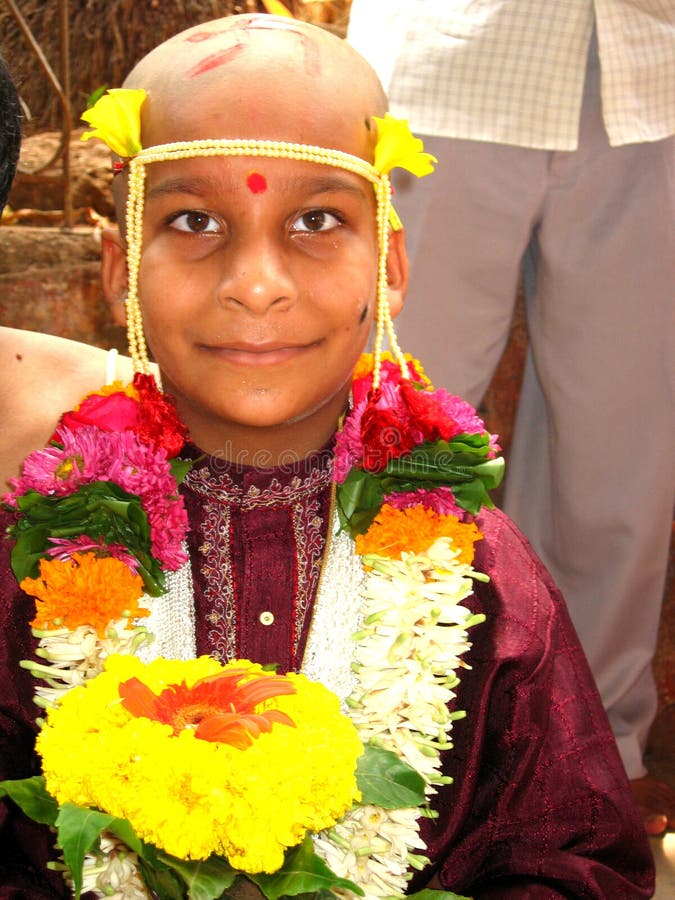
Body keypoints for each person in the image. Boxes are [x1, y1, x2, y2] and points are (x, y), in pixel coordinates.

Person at [0, 13, 654, 898]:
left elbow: (577, 858)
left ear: (388, 264)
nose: (258, 281)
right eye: (193, 219)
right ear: (119, 265)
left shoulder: (477, 572)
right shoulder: (45, 555)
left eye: (315, 218)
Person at [347, 0, 675, 835]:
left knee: (623, 456)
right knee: (392, 432)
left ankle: (592, 750)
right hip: (453, 66)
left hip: (654, 83)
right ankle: (362, 736)